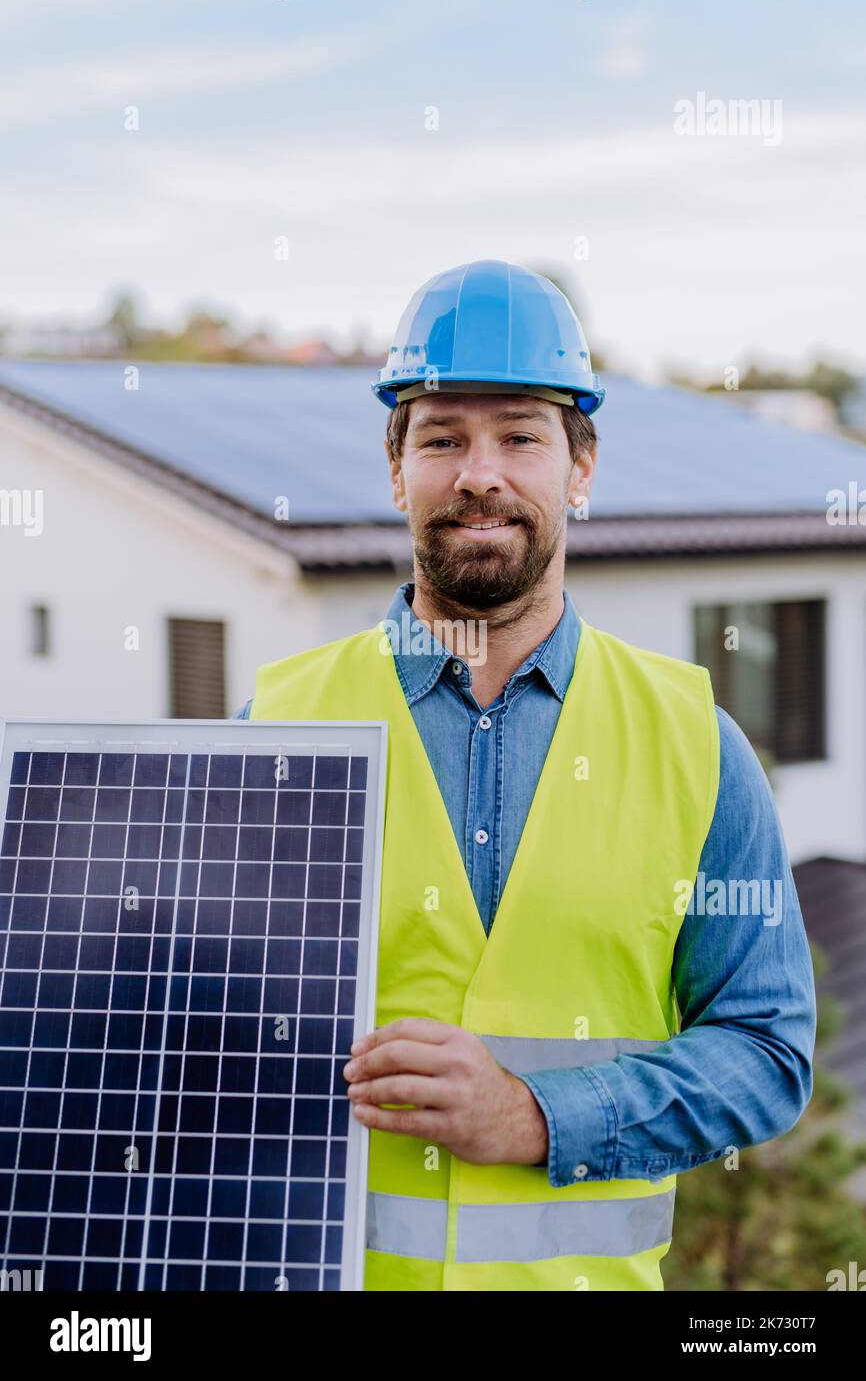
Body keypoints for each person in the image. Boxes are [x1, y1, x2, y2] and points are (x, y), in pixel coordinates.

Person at [233, 259, 816, 1291]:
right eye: (441, 437)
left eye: (518, 434)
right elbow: (186, 1037)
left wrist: (538, 1114)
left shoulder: (696, 744)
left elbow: (766, 1053)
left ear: (578, 470)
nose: (478, 472)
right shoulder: (276, 726)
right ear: (395, 465)